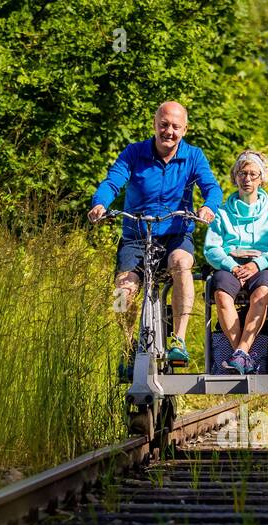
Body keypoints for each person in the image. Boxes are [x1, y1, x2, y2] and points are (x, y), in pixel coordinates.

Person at [88, 101, 221, 370]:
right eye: (164, 125)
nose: (168, 131)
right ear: (155, 124)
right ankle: (127, 347)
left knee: (182, 264)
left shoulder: (194, 156)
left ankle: (178, 340)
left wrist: (208, 207)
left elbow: (212, 187)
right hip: (136, 235)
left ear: (185, 129)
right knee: (123, 290)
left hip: (175, 233)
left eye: (175, 126)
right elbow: (112, 181)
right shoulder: (134, 152)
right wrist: (100, 203)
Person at [202, 150, 268, 375]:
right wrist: (231, 265)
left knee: (261, 293)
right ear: (235, 176)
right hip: (230, 264)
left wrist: (258, 264)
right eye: (242, 173)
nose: (247, 179)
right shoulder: (221, 212)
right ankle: (242, 356)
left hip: (261, 265)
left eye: (253, 174)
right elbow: (211, 248)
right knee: (221, 294)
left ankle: (241, 351)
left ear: (261, 178)